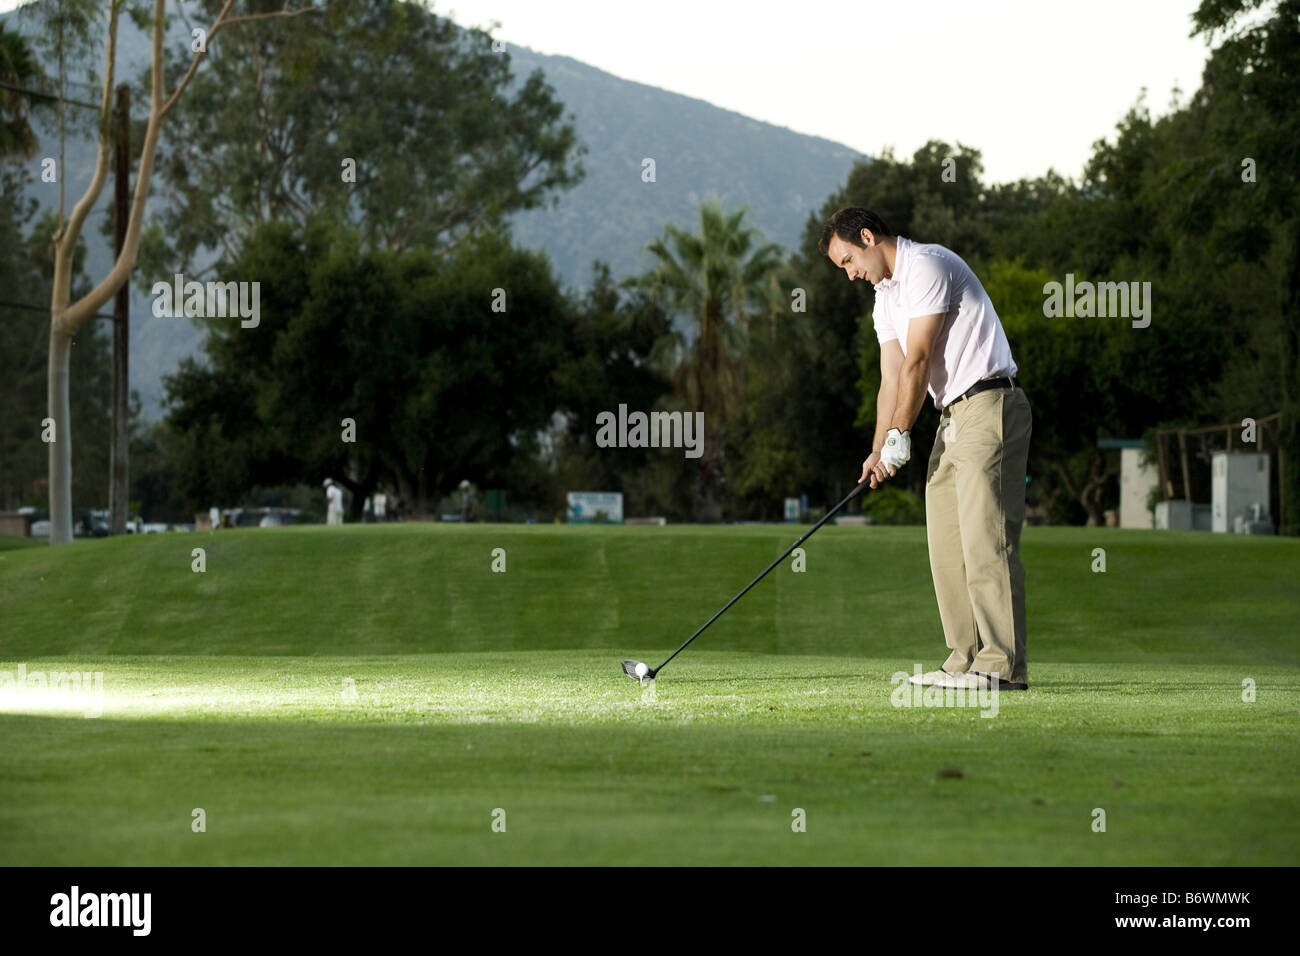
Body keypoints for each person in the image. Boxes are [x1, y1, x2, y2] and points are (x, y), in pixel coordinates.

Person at [821, 207, 1032, 691]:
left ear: (869, 237)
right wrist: (878, 449)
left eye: (849, 260)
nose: (851, 274)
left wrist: (900, 436)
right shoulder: (884, 300)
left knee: (987, 539)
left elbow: (919, 358)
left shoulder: (929, 266)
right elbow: (891, 379)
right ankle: (965, 658)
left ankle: (1001, 667)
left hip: (988, 403)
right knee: (946, 545)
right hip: (950, 418)